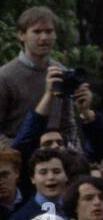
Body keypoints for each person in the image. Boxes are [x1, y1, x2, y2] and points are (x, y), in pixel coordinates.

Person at [0, 7, 64, 139]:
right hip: (16, 155)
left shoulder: (61, 71)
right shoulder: (5, 77)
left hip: (57, 153)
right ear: (21, 35)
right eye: (37, 32)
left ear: (55, 34)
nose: (44, 37)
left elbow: (68, 125)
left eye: (49, 31)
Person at [3, 146, 71, 220]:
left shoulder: (77, 209)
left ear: (66, 175)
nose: (51, 177)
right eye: (43, 173)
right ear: (32, 179)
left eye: (56, 171)